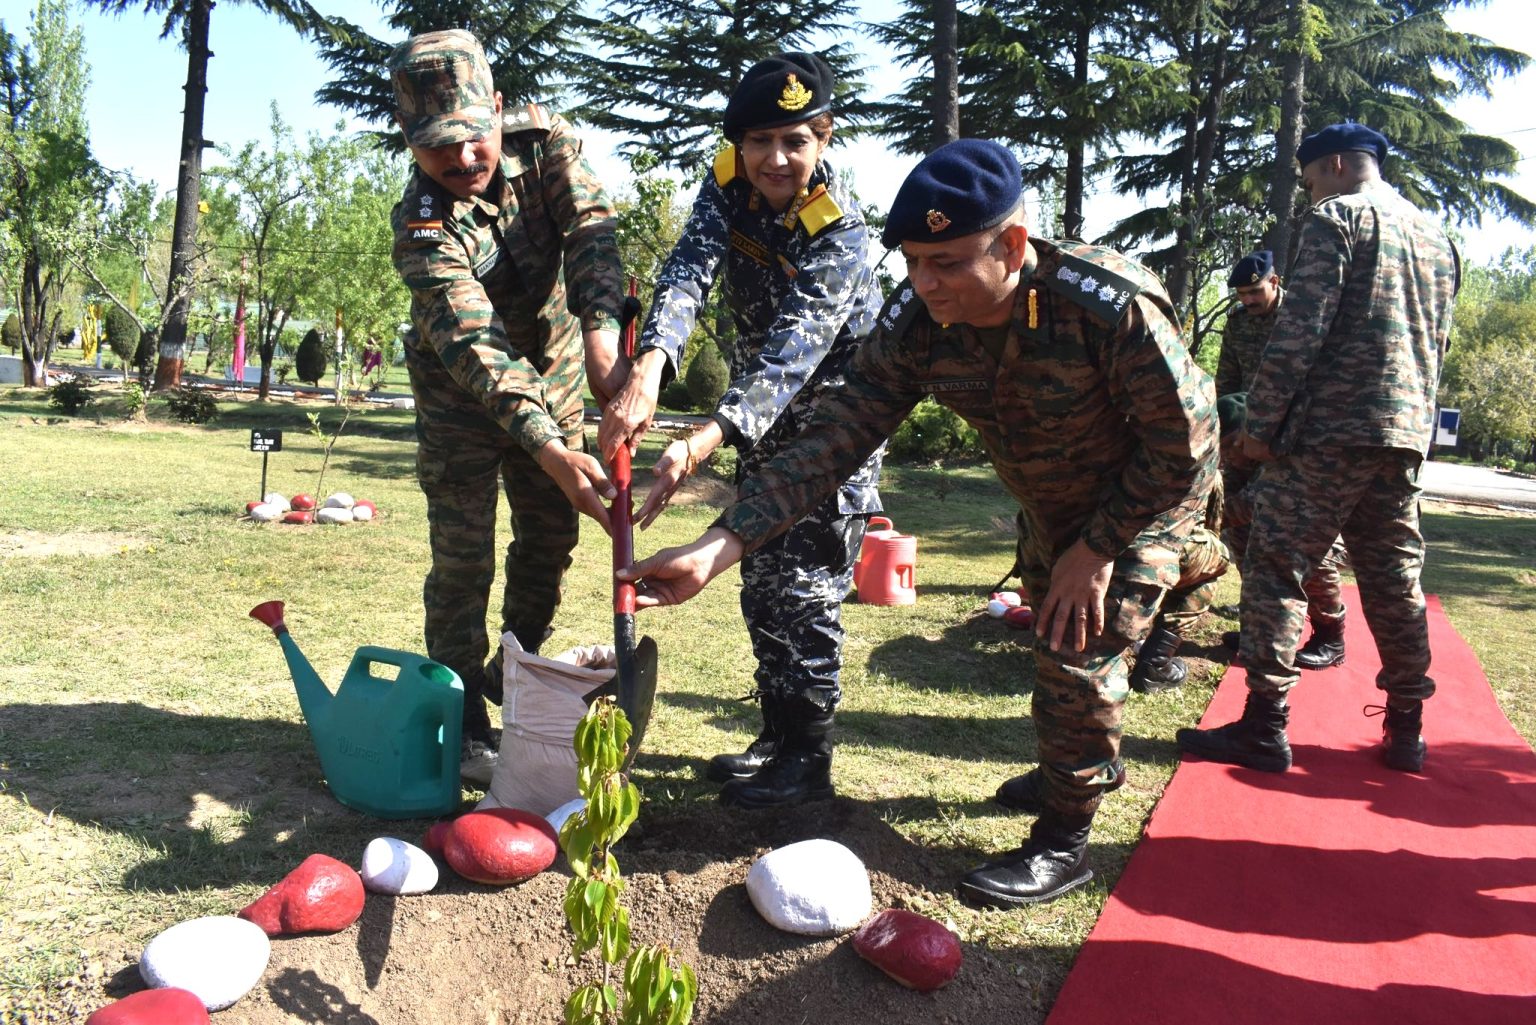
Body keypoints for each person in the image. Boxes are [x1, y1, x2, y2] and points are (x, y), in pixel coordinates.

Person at [618, 139, 1217, 907]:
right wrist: (719, 544)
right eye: (913, 262)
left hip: (1144, 500)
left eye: (948, 263)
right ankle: (1068, 762)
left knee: (1076, 648)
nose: (924, 283)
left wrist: (1098, 547)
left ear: (1013, 246)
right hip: (1047, 503)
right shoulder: (918, 320)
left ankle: (1067, 839)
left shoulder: (1104, 304)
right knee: (1053, 650)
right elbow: (832, 440)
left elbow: (1189, 447)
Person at [599, 53, 883, 810]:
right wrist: (653, 361)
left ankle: (809, 757)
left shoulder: (842, 235)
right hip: (759, 425)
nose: (776, 159)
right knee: (761, 583)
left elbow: (794, 352)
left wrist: (706, 434)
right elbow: (688, 272)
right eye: (761, 141)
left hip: (833, 425)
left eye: (795, 141)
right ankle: (776, 734)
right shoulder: (728, 186)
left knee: (806, 587)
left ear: (824, 138)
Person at [1177, 123, 1458, 775]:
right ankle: (1408, 731)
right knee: (1394, 579)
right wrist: (1415, 428)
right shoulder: (1438, 238)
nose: (1307, 195)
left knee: (1276, 562)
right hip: (1403, 433)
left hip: (1329, 431)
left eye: (1309, 181)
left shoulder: (1338, 219)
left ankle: (1264, 726)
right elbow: (1437, 345)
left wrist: (1259, 430)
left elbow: (1298, 336)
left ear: (1334, 164)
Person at [388, 30, 626, 787]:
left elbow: (592, 230)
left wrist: (601, 329)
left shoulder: (548, 145)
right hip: (464, 399)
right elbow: (477, 347)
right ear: (409, 141)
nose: (461, 160)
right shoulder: (422, 226)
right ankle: (460, 719)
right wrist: (551, 450)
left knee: (550, 543)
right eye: (436, 147)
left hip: (558, 378)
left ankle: (513, 666)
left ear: (497, 109)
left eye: (472, 136)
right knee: (463, 563)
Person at [1216, 251, 1350, 670]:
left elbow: (1319, 383)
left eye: (1255, 291)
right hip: (1244, 437)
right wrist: (1226, 430)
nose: (1249, 301)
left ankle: (1331, 634)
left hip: (1295, 443)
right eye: (1241, 294)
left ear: (1276, 281)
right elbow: (1228, 381)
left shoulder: (1304, 317)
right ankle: (1262, 625)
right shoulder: (1238, 323)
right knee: (1238, 529)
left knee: (1306, 543)